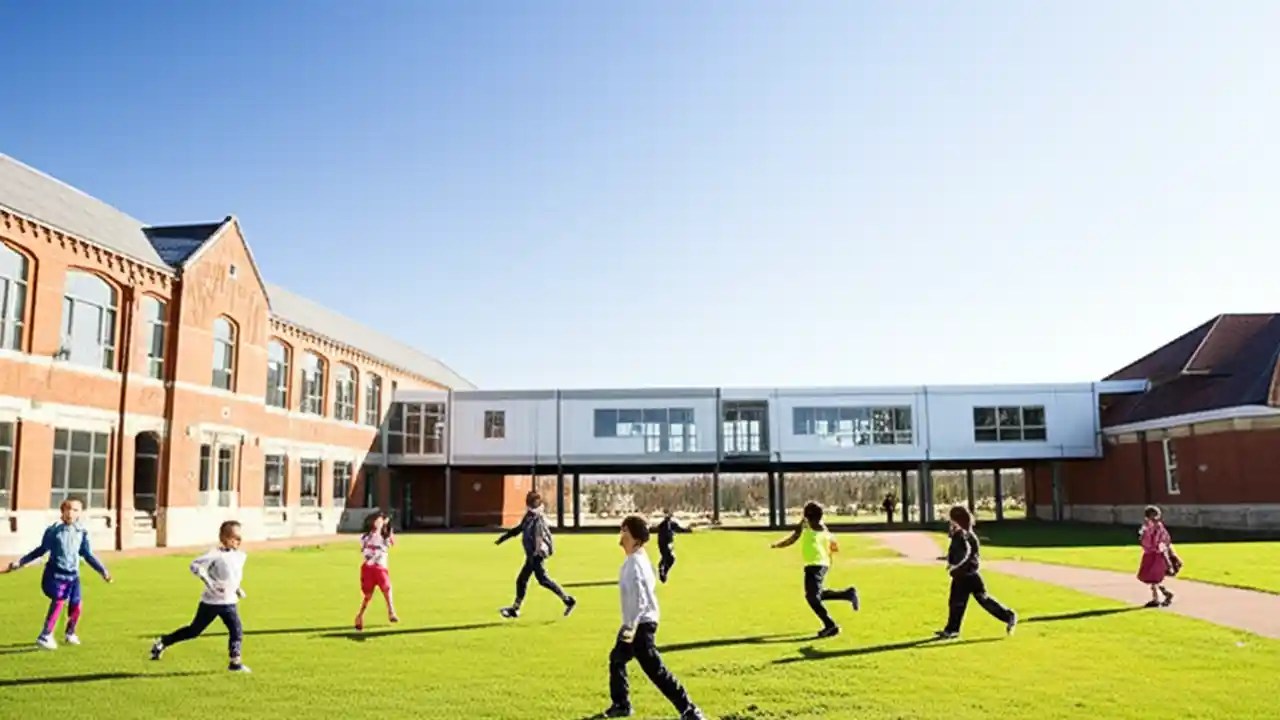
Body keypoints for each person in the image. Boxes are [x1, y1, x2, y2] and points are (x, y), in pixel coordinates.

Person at [596, 515, 706, 720]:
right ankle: (621, 704)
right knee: (617, 659)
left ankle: (689, 709)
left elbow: (639, 599)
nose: (621, 535)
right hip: (637, 623)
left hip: (641, 625)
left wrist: (629, 628)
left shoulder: (636, 564)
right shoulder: (635, 559)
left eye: (625, 531)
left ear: (636, 538)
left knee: (656, 671)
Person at [3, 497, 112, 650]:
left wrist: (102, 570)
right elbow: (41, 550)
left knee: (76, 605)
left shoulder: (81, 532)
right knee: (59, 600)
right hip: (55, 574)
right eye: (68, 509)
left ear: (80, 513)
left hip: (73, 576)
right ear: (62, 511)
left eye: (75, 510)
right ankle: (45, 635)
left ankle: (70, 633)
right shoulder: (54, 531)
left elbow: (87, 554)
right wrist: (20, 562)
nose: (71, 513)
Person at [150, 520, 251, 672]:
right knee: (194, 631)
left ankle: (235, 662)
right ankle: (163, 642)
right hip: (211, 602)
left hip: (229, 602)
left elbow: (231, 577)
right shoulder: (215, 554)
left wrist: (237, 589)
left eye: (240, 537)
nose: (238, 541)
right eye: (234, 537)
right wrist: (209, 582)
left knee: (236, 630)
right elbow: (195, 565)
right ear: (223, 537)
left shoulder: (240, 556)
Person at [771, 501, 859, 638]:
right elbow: (796, 538)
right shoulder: (811, 524)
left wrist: (779, 545)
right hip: (816, 564)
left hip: (817, 564)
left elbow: (796, 537)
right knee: (815, 594)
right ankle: (848, 594)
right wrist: (779, 545)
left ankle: (830, 625)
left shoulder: (815, 525)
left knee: (812, 597)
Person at [936, 505, 1017, 639]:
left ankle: (1009, 616)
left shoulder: (965, 536)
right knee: (959, 602)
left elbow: (967, 555)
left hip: (968, 575)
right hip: (963, 575)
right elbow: (956, 552)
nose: (950, 523)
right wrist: (950, 561)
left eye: (952, 520)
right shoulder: (959, 534)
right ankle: (952, 629)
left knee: (977, 600)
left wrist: (955, 566)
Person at [495, 491, 576, 619]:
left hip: (536, 555)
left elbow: (539, 537)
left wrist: (536, 553)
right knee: (524, 580)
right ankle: (515, 608)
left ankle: (567, 600)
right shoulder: (529, 516)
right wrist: (504, 537)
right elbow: (519, 529)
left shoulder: (538, 518)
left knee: (541, 580)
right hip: (531, 555)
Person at [355, 512, 399, 630]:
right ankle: (359, 616)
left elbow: (391, 542)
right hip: (368, 569)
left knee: (387, 588)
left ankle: (391, 612)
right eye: (377, 520)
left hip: (380, 567)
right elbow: (364, 551)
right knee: (368, 595)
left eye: (380, 520)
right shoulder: (365, 537)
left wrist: (388, 527)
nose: (378, 522)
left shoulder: (385, 537)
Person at [1137, 506, 1176, 608]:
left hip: (1156, 554)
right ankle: (1164, 593)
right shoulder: (1151, 527)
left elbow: (1160, 542)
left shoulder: (1156, 528)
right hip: (1153, 554)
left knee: (1153, 577)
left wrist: (1166, 557)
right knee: (1149, 577)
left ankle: (1157, 599)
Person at [653, 510, 692, 583]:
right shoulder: (663, 525)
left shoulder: (672, 524)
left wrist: (687, 530)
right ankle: (662, 571)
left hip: (669, 544)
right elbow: (657, 531)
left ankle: (664, 572)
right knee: (667, 557)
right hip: (663, 543)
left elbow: (679, 529)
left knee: (671, 559)